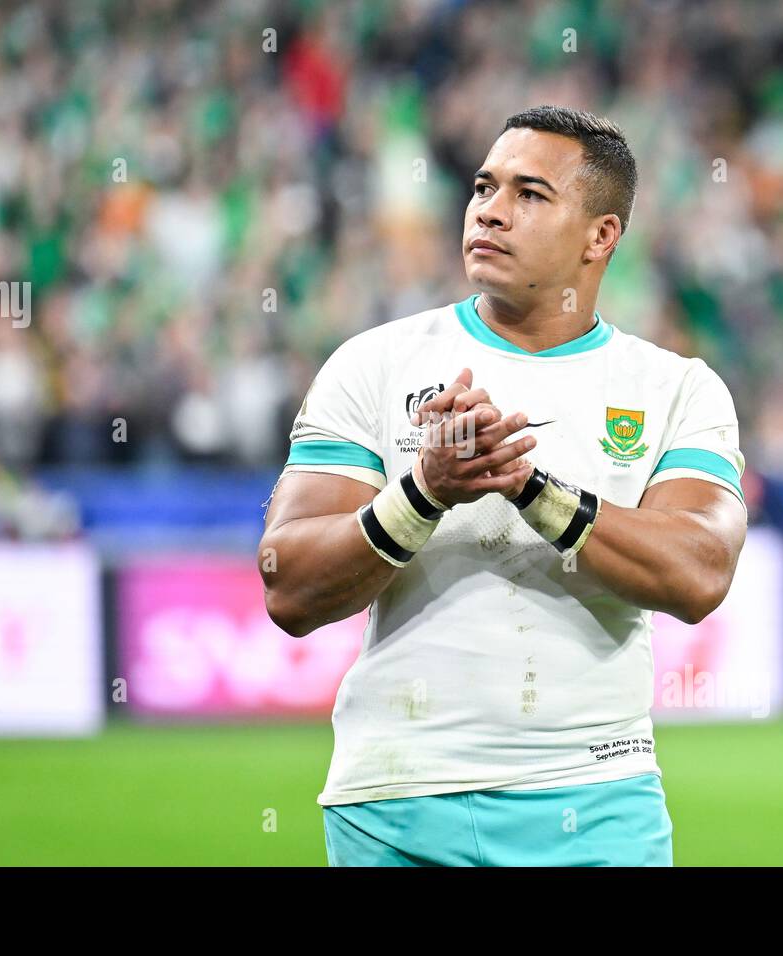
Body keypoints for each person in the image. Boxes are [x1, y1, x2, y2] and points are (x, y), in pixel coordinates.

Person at [259, 105, 747, 866]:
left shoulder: (676, 387)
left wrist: (526, 485)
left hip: (598, 801)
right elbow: (287, 586)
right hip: (398, 802)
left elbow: (698, 573)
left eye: (529, 194)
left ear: (601, 236)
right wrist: (423, 491)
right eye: (484, 186)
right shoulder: (374, 363)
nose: (489, 209)